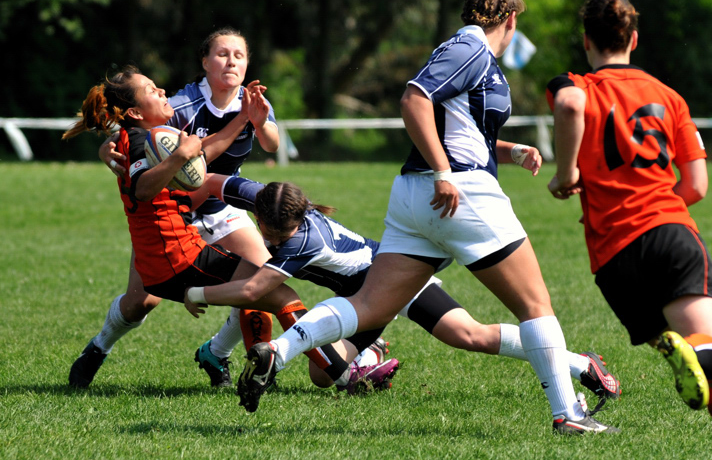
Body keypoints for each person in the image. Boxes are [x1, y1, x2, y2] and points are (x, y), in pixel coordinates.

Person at [195, 0, 617, 434]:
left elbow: (461, 132)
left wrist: (511, 152)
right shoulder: (471, 49)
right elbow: (414, 99)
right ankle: (567, 414)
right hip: (457, 194)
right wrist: (443, 172)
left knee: (372, 305)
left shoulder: (471, 55)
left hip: (419, 200)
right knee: (536, 306)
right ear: (511, 18)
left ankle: (279, 351)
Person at [545, 0, 712, 460]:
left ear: (586, 41)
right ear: (634, 39)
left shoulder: (573, 84)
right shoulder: (669, 97)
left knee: (708, 379)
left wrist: (565, 173)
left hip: (613, 257)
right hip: (668, 232)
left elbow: (572, 101)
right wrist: (662, 205)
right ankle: (700, 355)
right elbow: (697, 186)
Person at [64, 28, 373, 390]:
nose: (231, 61)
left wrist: (249, 119)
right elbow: (142, 154)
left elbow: (224, 149)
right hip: (175, 233)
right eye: (222, 54)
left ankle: (242, 359)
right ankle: (99, 348)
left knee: (261, 278)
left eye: (239, 55)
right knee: (141, 303)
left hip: (214, 208)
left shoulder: (251, 101)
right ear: (204, 62)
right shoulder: (176, 109)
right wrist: (110, 145)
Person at [183, 174, 621, 412]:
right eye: (267, 230)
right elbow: (211, 181)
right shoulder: (265, 198)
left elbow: (258, 287)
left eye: (278, 234)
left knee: (469, 336)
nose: (271, 238)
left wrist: (196, 293)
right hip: (363, 301)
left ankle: (582, 365)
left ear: (297, 223)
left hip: (395, 281)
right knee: (323, 376)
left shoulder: (301, 241)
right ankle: (362, 354)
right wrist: (176, 181)